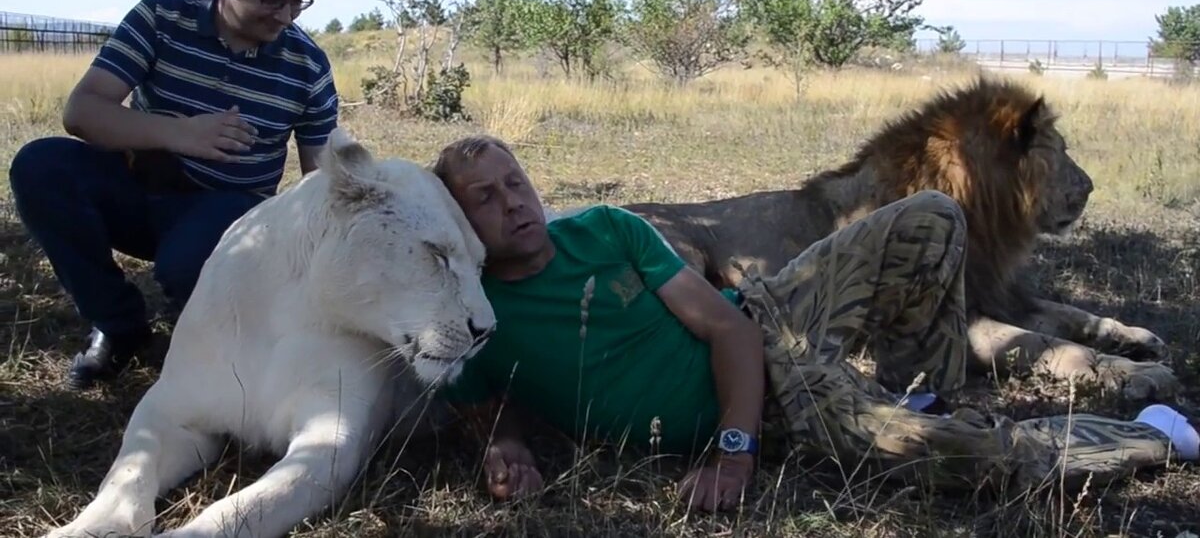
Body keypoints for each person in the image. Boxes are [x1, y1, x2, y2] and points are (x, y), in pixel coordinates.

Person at [429, 134, 1199, 513]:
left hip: (771, 320)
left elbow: (729, 329)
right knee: (970, 459)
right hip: (786, 408)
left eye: (516, 182)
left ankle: (923, 382)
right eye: (485, 199)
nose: (515, 204)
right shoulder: (477, 309)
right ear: (459, 222)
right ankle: (1158, 434)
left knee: (929, 215)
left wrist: (734, 454)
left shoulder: (603, 227)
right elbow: (478, 400)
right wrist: (503, 443)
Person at [7, 0, 340, 391]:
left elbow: (320, 178)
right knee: (41, 166)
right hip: (138, 187)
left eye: (298, 2)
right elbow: (82, 110)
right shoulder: (163, 15)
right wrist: (179, 133)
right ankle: (118, 325)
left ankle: (216, 336)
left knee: (186, 263)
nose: (284, 16)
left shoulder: (307, 65)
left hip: (228, 212)